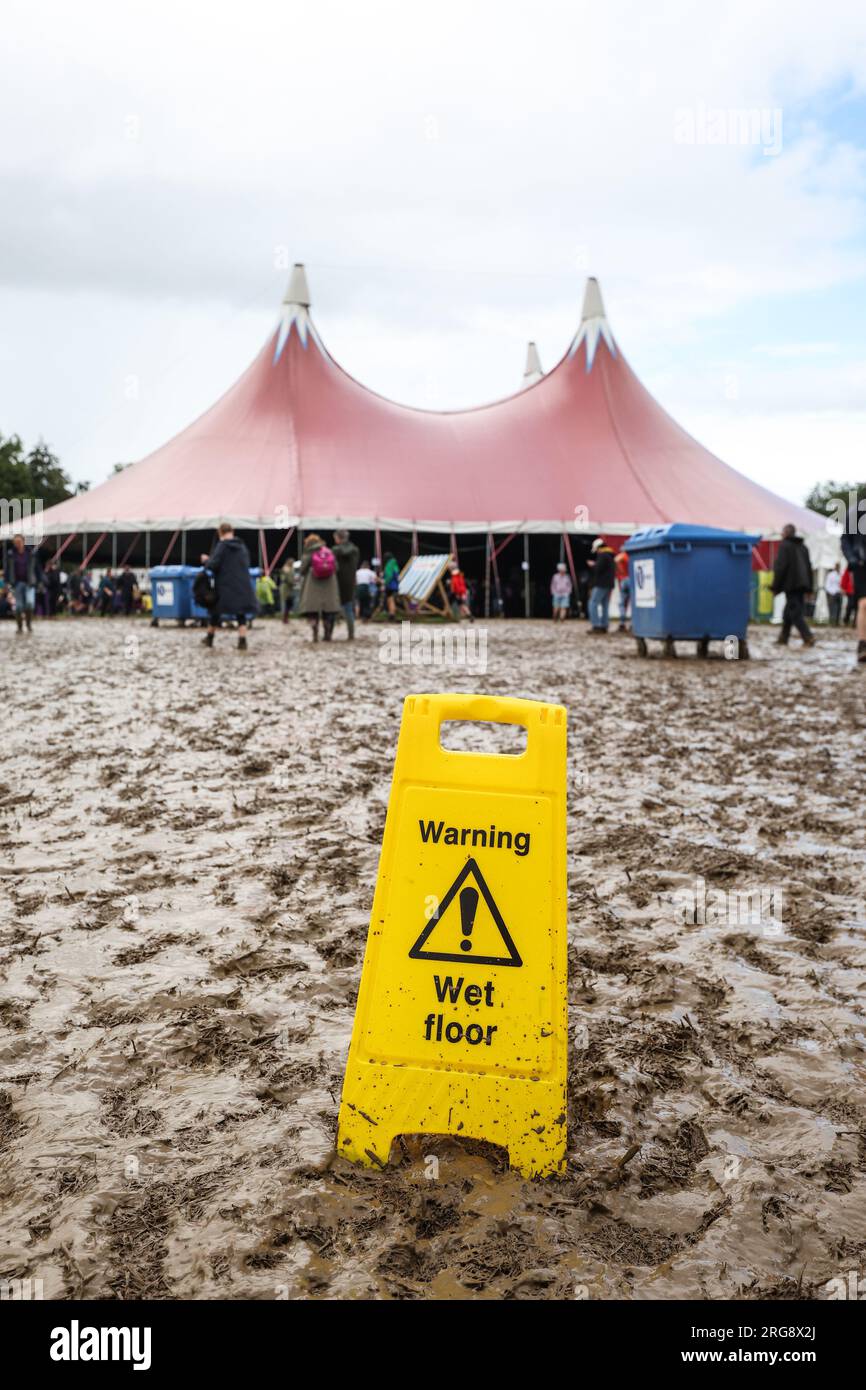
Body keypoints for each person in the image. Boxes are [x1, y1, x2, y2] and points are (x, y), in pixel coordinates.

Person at [200, 522, 256, 650]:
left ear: (220, 533)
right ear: (233, 531)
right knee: (240, 613)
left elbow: (214, 565)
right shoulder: (242, 546)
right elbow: (246, 563)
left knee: (216, 611)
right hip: (242, 584)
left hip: (225, 585)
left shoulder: (222, 546)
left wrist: (206, 560)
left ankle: (209, 638)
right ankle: (242, 640)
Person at [772, 524, 815, 648]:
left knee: (795, 613)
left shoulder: (785, 546)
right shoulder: (803, 547)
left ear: (786, 533)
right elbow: (809, 568)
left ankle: (808, 636)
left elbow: (781, 567)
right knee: (788, 612)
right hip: (802, 585)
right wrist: (809, 588)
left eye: (782, 532)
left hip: (791, 585)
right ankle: (783, 638)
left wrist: (775, 587)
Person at [298, 533, 340, 641]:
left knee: (313, 611)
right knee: (328, 611)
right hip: (329, 585)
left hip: (312, 585)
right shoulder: (328, 552)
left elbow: (302, 570)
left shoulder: (308, 553)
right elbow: (336, 567)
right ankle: (328, 634)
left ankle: (315, 633)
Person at [840, 503, 866, 665]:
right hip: (861, 564)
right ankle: (863, 644)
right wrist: (852, 559)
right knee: (864, 604)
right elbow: (845, 539)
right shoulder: (856, 513)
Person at [4, 534, 44, 633]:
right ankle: (19, 626)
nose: (17, 544)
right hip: (16, 583)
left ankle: (29, 623)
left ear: (23, 541)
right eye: (15, 543)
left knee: (30, 603)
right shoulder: (10, 554)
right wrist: (6, 582)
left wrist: (40, 581)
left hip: (30, 583)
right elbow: (7, 569)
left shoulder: (31, 553)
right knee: (18, 606)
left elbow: (37, 568)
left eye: (19, 542)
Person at [333, 529, 361, 639]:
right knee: (349, 608)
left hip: (337, 582)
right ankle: (351, 633)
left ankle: (329, 632)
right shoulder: (355, 550)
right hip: (350, 582)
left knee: (332, 607)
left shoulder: (335, 550)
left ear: (338, 538)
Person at [587, 536, 615, 633]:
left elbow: (598, 569)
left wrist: (593, 565)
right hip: (609, 584)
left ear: (599, 547)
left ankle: (596, 625)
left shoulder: (603, 555)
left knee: (592, 603)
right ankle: (604, 625)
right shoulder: (610, 555)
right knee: (605, 605)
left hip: (601, 584)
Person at [615, 548, 631, 631]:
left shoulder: (623, 556)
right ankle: (633, 624)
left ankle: (622, 623)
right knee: (633, 604)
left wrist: (619, 570)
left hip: (624, 579)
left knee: (622, 603)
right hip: (632, 580)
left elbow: (616, 559)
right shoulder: (632, 556)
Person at [382, 551, 401, 620]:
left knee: (390, 599)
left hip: (390, 585)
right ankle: (391, 613)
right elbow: (396, 574)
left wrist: (385, 582)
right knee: (390, 599)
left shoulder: (388, 565)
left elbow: (389, 575)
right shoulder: (394, 563)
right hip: (395, 585)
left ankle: (392, 614)